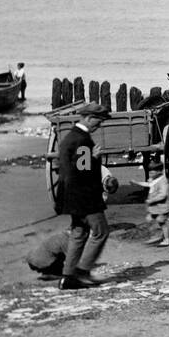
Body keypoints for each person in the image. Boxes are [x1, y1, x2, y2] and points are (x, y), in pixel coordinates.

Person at [57, 102, 111, 289]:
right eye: (98, 121)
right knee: (101, 231)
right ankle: (82, 272)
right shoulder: (82, 140)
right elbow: (83, 172)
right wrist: (94, 158)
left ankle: (68, 277)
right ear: (88, 118)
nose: (99, 125)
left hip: (71, 197)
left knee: (79, 234)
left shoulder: (71, 137)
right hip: (85, 197)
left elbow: (72, 170)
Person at [140, 162, 169, 247]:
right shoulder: (154, 179)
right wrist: (137, 183)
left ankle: (167, 239)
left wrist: (151, 200)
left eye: (152, 172)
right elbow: (149, 185)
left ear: (159, 172)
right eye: (149, 172)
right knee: (150, 219)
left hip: (163, 207)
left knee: (161, 221)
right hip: (156, 207)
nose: (150, 174)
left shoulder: (163, 181)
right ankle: (159, 234)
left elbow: (163, 195)